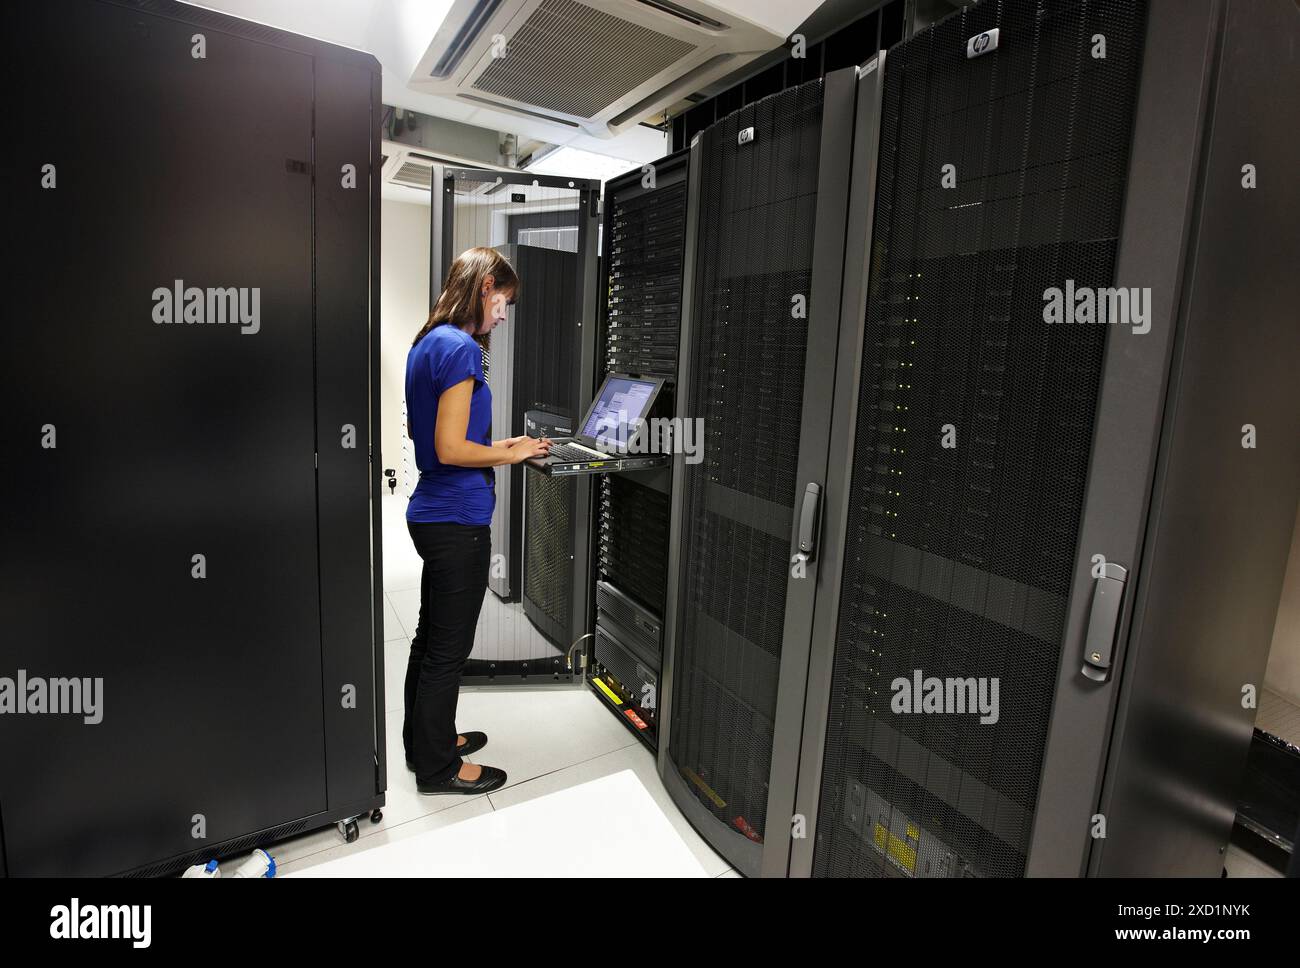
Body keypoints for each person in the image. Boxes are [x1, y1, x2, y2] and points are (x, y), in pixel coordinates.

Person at [403, 247, 550, 794]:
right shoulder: (462, 347)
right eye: (504, 302)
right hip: (456, 521)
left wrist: (506, 445)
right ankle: (439, 769)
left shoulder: (428, 342)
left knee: (428, 638)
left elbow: (451, 441)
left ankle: (423, 741)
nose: (504, 315)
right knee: (448, 649)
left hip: (433, 512)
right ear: (485, 285)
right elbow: (448, 447)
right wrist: (510, 456)